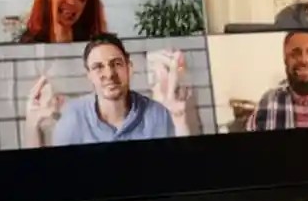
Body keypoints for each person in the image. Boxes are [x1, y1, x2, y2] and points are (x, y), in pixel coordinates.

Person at [22, 33, 192, 148]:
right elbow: (50, 178)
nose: (109, 74)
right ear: (88, 75)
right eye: (98, 67)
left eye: (116, 64)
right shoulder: (72, 119)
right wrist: (32, 125)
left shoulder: (158, 114)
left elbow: (182, 172)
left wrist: (179, 119)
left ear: (129, 67)